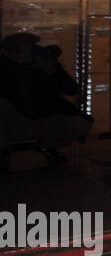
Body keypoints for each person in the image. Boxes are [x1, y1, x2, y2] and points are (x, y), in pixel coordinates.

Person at [0, 32, 93, 171]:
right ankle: (2, 153)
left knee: (81, 123)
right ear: (10, 53)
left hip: (39, 119)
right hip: (12, 123)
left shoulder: (38, 70)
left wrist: (51, 69)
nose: (27, 54)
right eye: (22, 50)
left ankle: (48, 147)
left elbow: (71, 89)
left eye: (29, 50)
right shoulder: (4, 69)